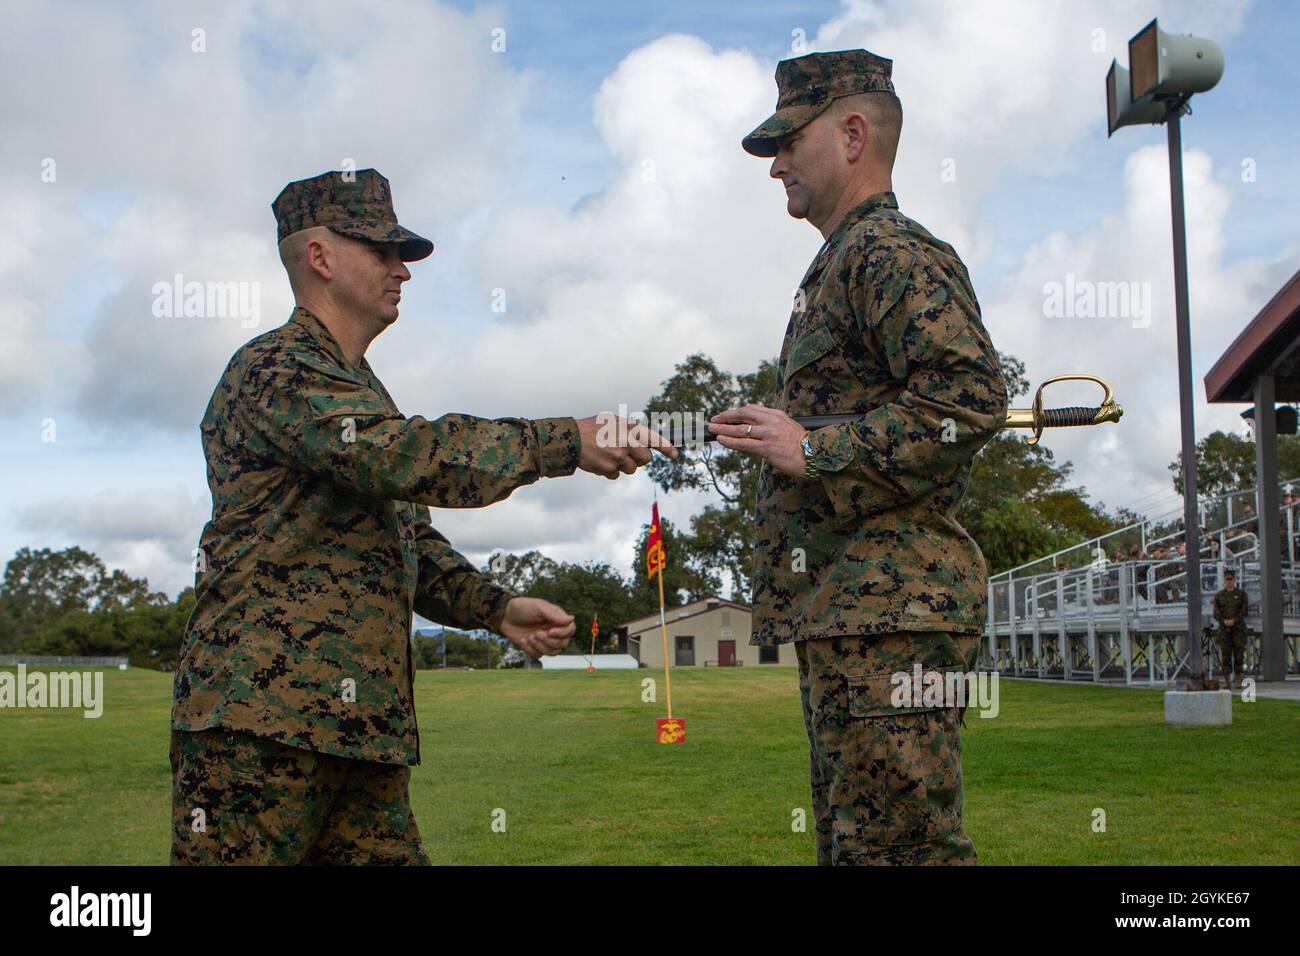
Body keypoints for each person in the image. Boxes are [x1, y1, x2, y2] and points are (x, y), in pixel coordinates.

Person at [170, 168, 676, 865]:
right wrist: (564, 440)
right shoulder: (275, 370)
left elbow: (404, 534)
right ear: (320, 257)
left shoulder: (359, 389)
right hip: (260, 727)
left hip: (359, 734)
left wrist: (495, 608)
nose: (401, 270)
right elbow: (406, 458)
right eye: (381, 250)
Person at [712, 50, 1007, 865]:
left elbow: (969, 398)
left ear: (851, 134)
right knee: (861, 848)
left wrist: (817, 447)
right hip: (855, 614)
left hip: (893, 614)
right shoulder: (845, 258)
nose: (774, 165)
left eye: (787, 141)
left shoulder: (888, 251)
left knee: (901, 853)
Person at [1211, 569, 1249, 688]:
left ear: (1234, 580)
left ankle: (1238, 680)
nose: (1229, 582)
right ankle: (1227, 681)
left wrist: (1235, 620)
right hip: (1224, 630)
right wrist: (1224, 621)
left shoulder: (1241, 594)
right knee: (1226, 656)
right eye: (1227, 580)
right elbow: (1216, 612)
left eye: (1231, 579)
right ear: (1224, 580)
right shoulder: (1220, 595)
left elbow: (1244, 610)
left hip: (1238, 629)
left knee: (1239, 655)